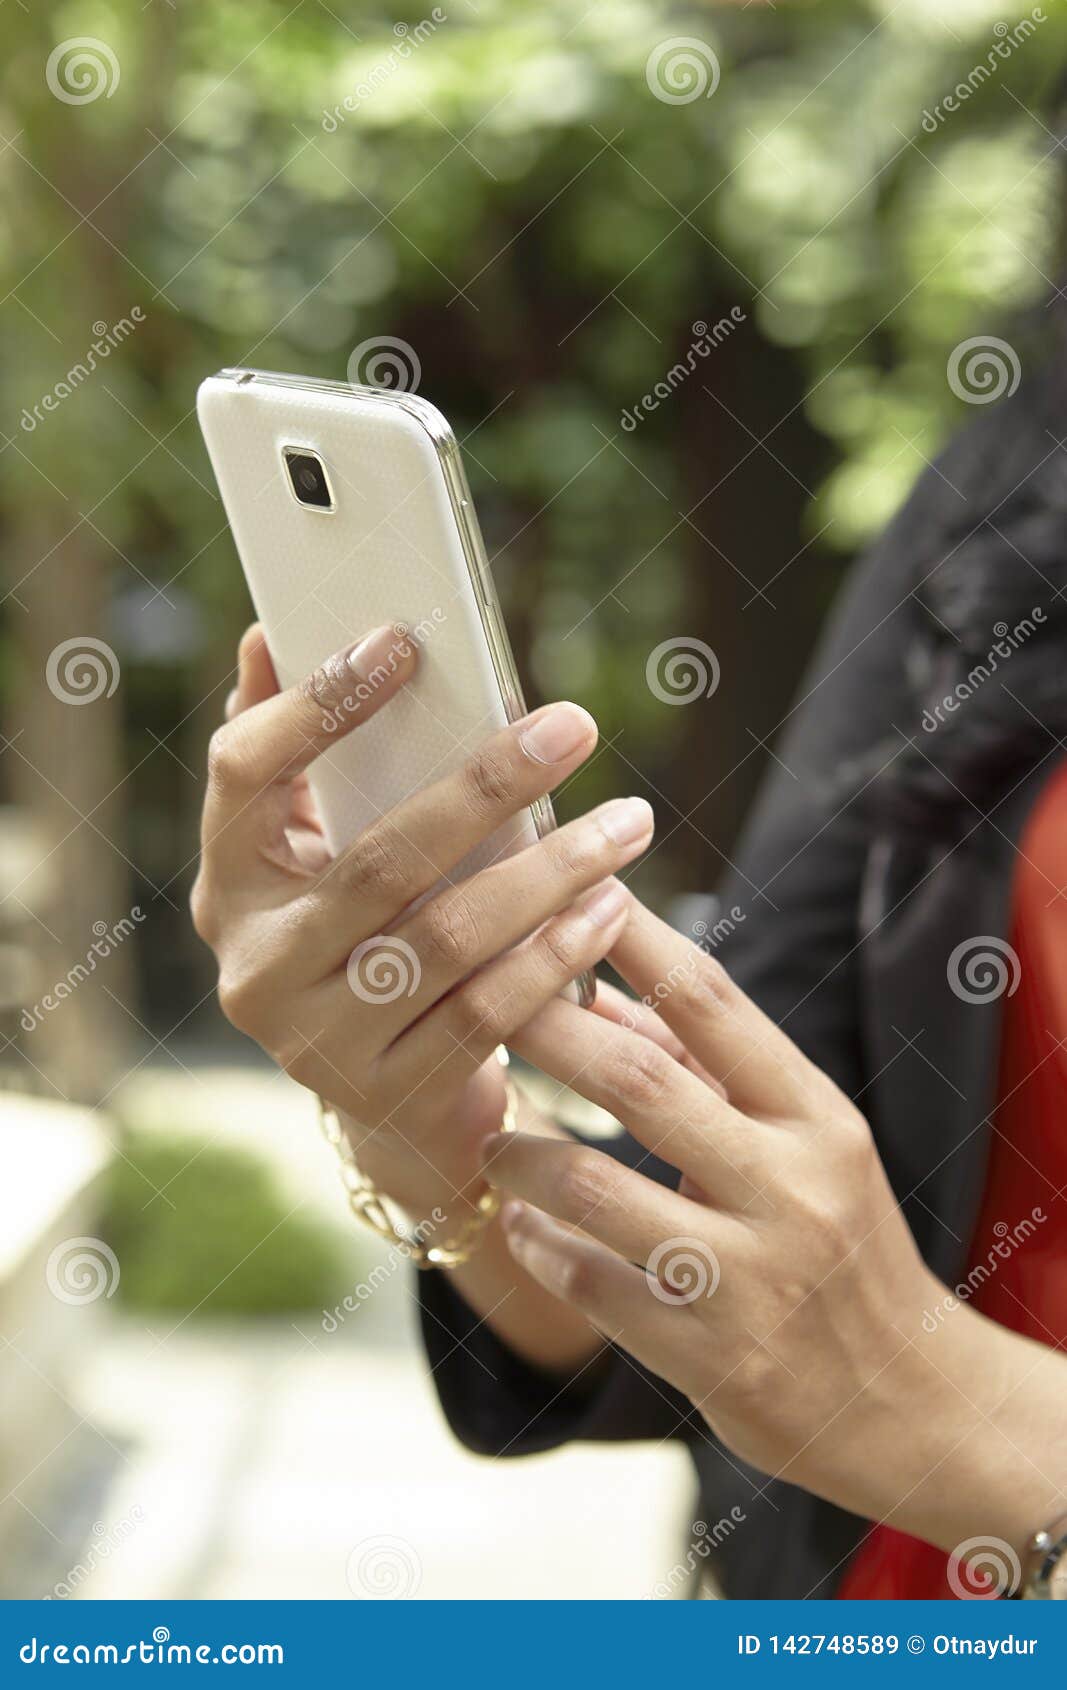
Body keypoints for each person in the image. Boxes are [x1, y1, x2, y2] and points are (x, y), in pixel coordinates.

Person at [192, 372, 1067, 1600]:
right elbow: (728, 1286)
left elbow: (853, 1352)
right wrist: (434, 1125)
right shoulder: (1006, 487)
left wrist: (952, 1407)